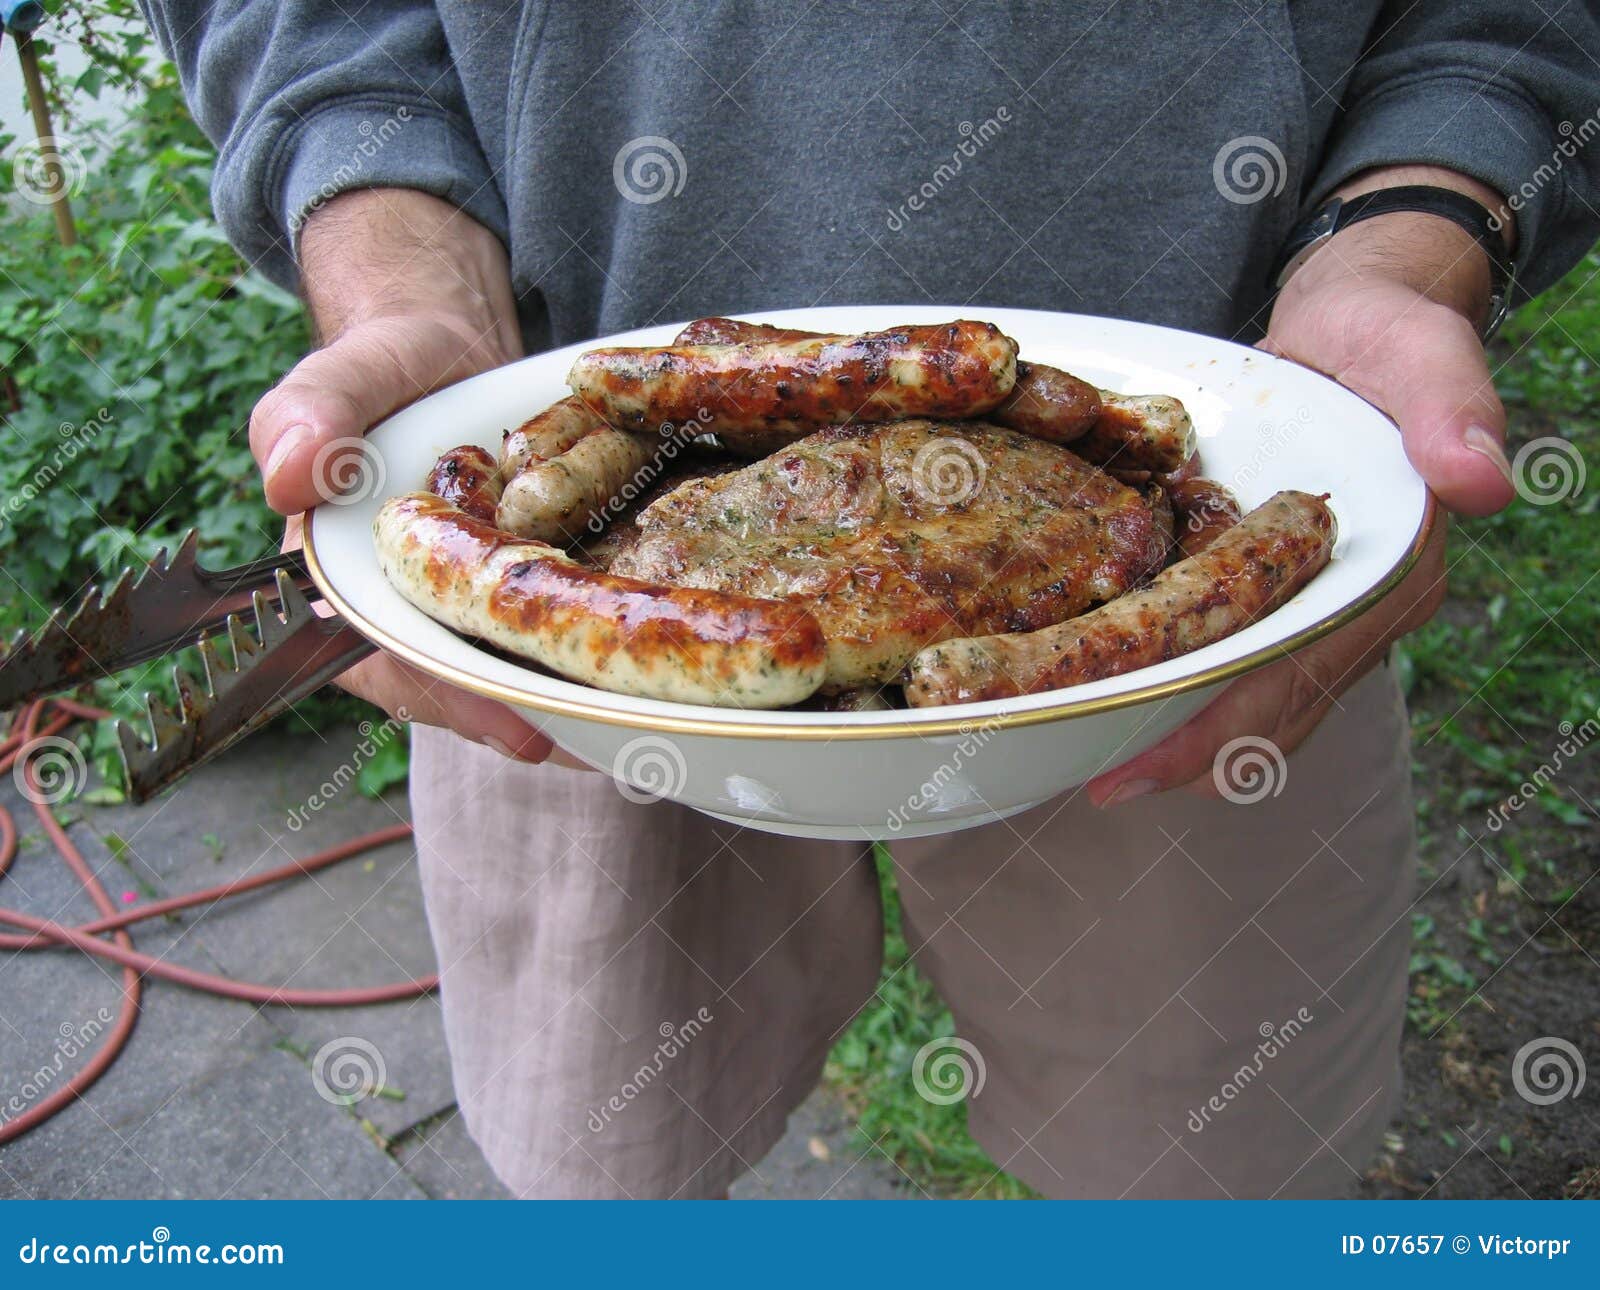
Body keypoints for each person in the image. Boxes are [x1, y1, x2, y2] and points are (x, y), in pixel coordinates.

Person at [141, 1, 1599, 1198]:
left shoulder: (1181, 512)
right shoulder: (538, 516)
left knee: (1214, 1170)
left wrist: (1408, 233)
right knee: (596, 1156)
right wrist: (406, 270)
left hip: (1204, 587)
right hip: (583, 584)